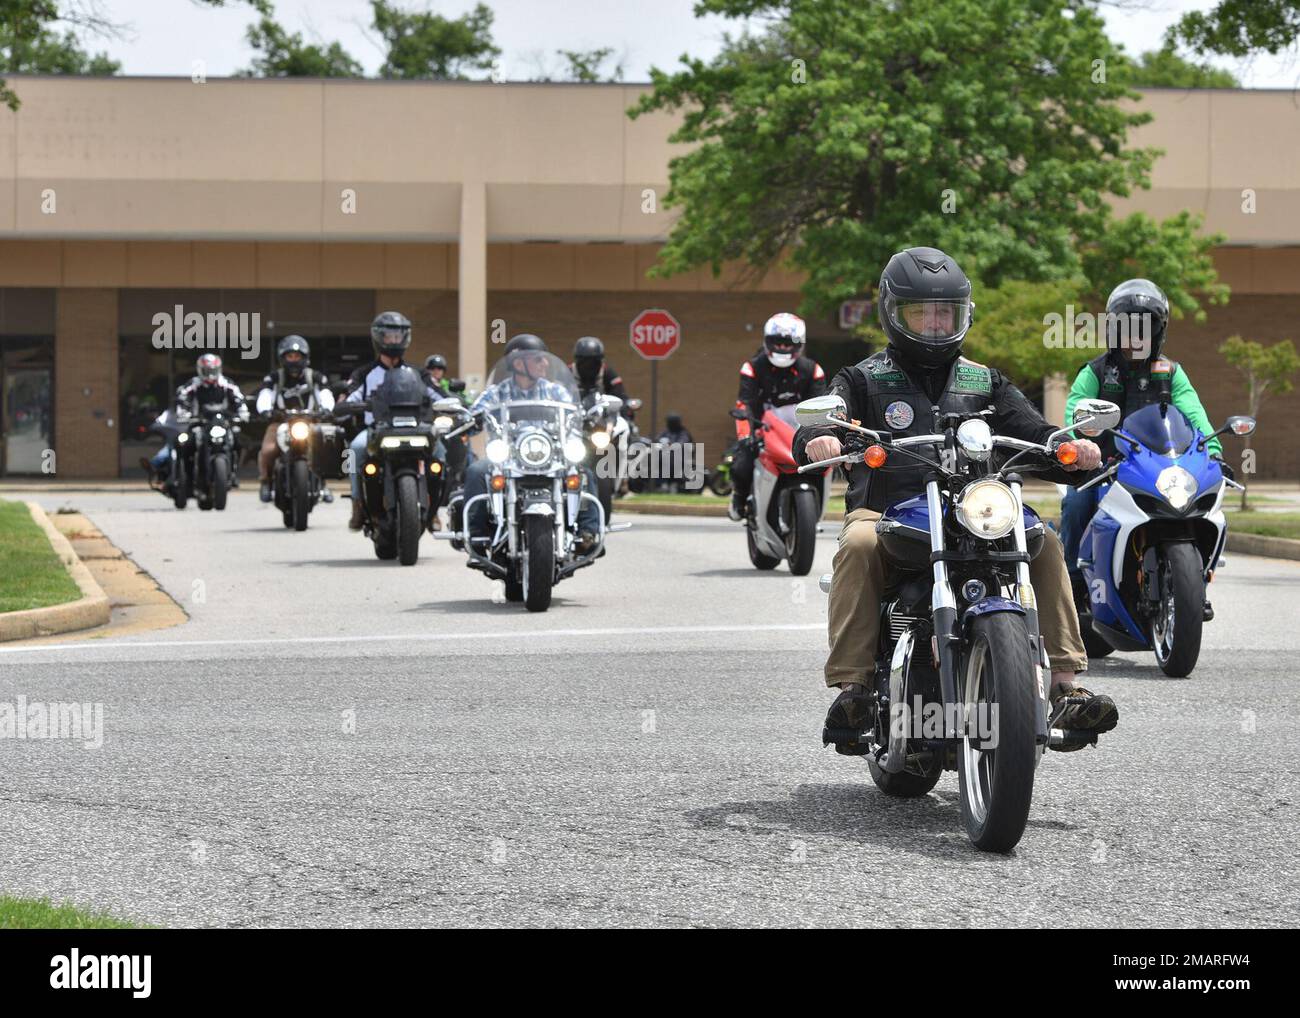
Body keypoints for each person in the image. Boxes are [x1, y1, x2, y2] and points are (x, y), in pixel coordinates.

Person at [791, 246, 1118, 748]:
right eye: (922, 313)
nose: (936, 325)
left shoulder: (984, 380)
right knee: (857, 545)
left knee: (1045, 541)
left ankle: (1064, 687)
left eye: (947, 313)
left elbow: (1036, 430)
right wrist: (823, 437)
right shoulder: (862, 378)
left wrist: (1068, 447)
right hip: (885, 513)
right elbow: (822, 421)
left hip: (975, 510)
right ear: (893, 314)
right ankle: (853, 688)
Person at [1058, 279, 1226, 595]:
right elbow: (1075, 413)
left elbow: (1193, 413)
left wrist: (1213, 451)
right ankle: (1074, 582)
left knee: (1192, 504)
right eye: (1127, 328)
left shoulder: (1171, 372)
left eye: (1144, 327)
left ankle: (1195, 580)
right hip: (1101, 466)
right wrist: (1081, 445)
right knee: (1078, 504)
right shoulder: (1095, 372)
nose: (1135, 336)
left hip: (1155, 467)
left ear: (1157, 332)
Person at [462, 334, 601, 550]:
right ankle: (476, 535)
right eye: (538, 359)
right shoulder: (497, 392)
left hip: (550, 456)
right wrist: (468, 419)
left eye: (545, 358)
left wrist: (587, 416)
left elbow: (576, 415)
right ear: (519, 363)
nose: (544, 363)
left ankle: (587, 533)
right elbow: (472, 415)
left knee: (583, 472)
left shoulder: (555, 391)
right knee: (476, 471)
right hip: (507, 458)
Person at [340, 312, 439, 530]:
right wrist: (342, 406)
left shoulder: (418, 373)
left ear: (405, 337)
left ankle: (433, 509)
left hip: (415, 429)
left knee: (440, 451)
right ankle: (358, 505)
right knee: (356, 448)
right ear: (378, 338)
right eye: (389, 336)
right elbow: (349, 398)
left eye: (398, 336)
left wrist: (455, 404)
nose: (394, 341)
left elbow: (437, 393)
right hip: (376, 429)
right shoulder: (364, 373)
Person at [729, 312, 827, 520]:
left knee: (826, 460)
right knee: (741, 462)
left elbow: (820, 405)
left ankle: (818, 505)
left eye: (788, 342)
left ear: (799, 344)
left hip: (798, 431)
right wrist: (746, 433)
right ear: (767, 342)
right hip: (761, 429)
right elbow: (744, 403)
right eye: (777, 342)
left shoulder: (813, 370)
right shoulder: (752, 368)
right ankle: (738, 498)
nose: (782, 347)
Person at [254, 335, 335, 504]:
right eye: (290, 356)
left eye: (297, 356)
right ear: (282, 358)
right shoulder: (274, 377)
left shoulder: (315, 377)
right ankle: (265, 482)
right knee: (268, 450)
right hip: (280, 422)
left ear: (305, 357)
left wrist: (327, 409)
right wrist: (265, 410)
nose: (293, 360)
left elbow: (326, 394)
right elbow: (265, 395)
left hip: (311, 421)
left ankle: (324, 483)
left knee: (325, 448)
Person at [174, 354, 250, 484]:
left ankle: (232, 471)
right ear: (200, 370)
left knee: (238, 440)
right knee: (186, 443)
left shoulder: (227, 384)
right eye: (206, 371)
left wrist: (242, 413)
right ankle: (185, 477)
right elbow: (182, 399)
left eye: (212, 371)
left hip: (223, 423)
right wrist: (183, 413)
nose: (210, 375)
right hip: (199, 423)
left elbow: (238, 399)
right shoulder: (193, 384)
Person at [570, 337, 632, 415]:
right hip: (574, 416)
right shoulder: (568, 372)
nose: (589, 366)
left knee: (626, 420)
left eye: (594, 362)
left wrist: (624, 405)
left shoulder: (607, 372)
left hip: (603, 418)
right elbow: (556, 396)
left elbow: (620, 395)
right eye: (584, 362)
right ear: (577, 361)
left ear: (600, 361)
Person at [655, 412, 696, 492]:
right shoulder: (666, 431)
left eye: (670, 422)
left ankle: (670, 483)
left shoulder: (683, 432)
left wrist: (673, 446)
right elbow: (657, 438)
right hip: (665, 455)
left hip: (681, 457)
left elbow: (683, 442)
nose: (669, 424)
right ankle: (656, 483)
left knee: (670, 462)